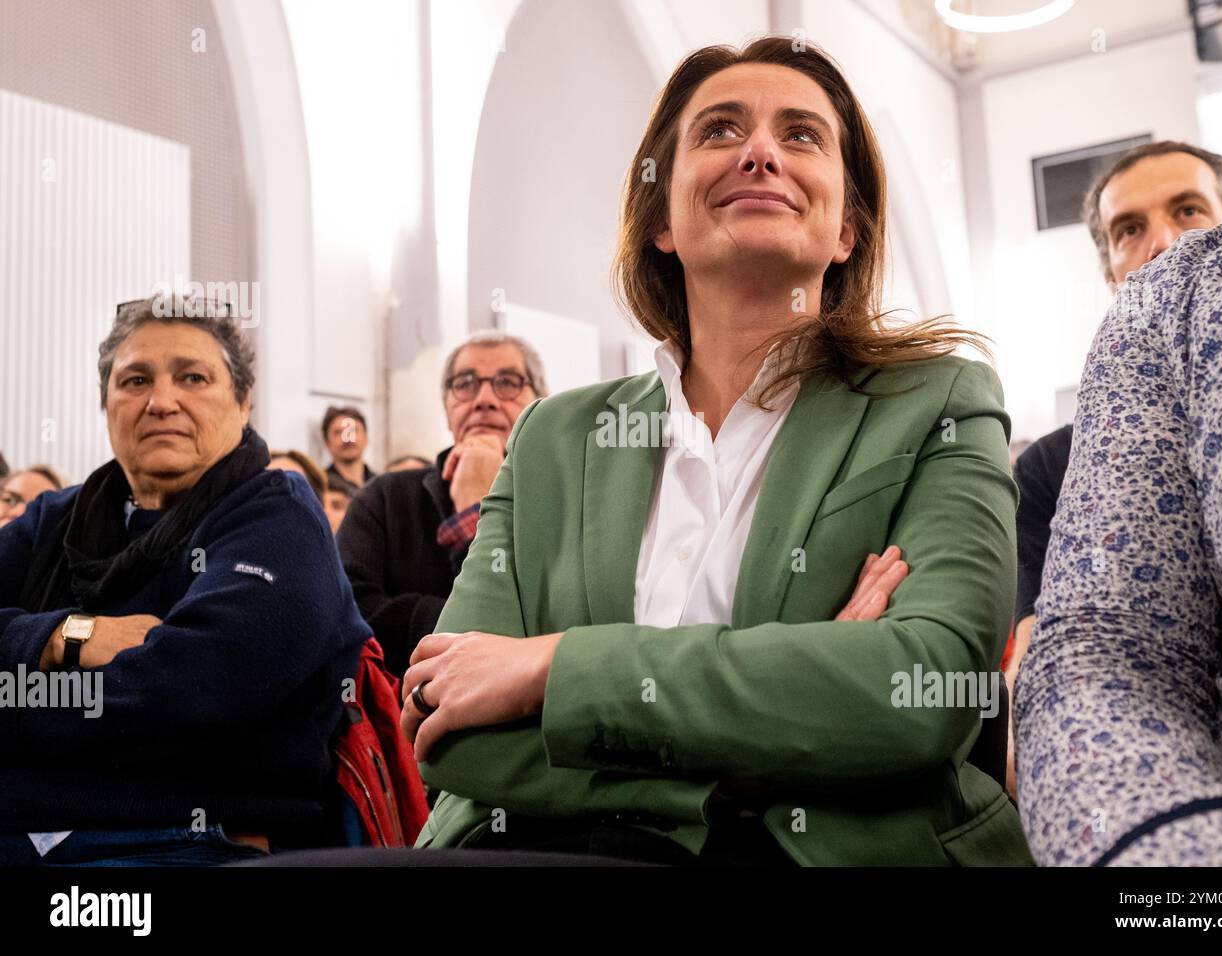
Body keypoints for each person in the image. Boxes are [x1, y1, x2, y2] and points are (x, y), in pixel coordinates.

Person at [400, 37, 1030, 866]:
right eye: (720, 131)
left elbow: (925, 690)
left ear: (847, 229)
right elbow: (449, 728)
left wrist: (556, 669)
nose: (761, 151)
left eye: (802, 135)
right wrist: (756, 761)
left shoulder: (937, 401)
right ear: (660, 219)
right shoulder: (553, 436)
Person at [0, 295, 369, 866]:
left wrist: (19, 691)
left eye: (193, 377)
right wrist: (63, 637)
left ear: (243, 401)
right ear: (107, 405)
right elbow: (148, 692)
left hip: (187, 844)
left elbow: (193, 691)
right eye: (135, 380)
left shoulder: (277, 517)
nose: (161, 401)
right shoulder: (53, 520)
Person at [1014, 138, 1222, 866]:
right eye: (1129, 229)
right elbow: (1066, 652)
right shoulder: (1052, 466)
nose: (1163, 241)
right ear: (1110, 271)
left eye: (1187, 209)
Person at [336, 331, 548, 681]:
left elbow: (558, 623)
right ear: (448, 407)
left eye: (507, 382)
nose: (484, 399)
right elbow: (347, 610)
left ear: (540, 402)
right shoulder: (384, 497)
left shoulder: (569, 497)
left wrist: (477, 512)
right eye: (464, 383)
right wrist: (462, 633)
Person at [321, 405, 374, 495]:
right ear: (327, 442)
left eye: (353, 430)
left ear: (366, 438)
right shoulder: (318, 486)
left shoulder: (381, 485)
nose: (348, 438)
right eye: (338, 432)